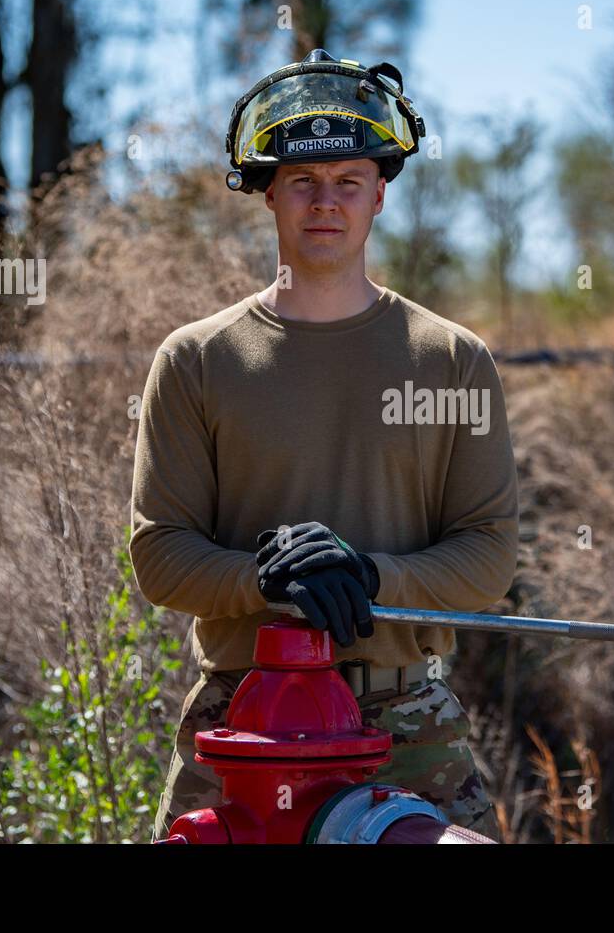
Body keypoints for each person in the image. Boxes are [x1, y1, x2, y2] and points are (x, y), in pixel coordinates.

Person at [130, 49, 519, 843]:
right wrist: (266, 580)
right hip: (242, 720)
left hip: (404, 727)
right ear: (267, 191)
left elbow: (488, 557)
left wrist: (369, 577)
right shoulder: (196, 359)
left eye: (348, 182)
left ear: (381, 193)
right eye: (303, 182)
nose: (325, 203)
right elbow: (159, 555)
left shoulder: (452, 358)